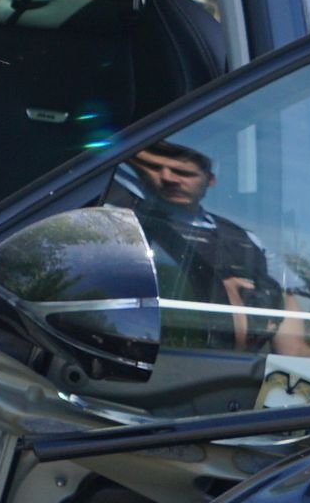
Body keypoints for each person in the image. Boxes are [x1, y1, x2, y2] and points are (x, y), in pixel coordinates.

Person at [109, 139, 296, 351]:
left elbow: (296, 347)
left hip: (234, 373)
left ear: (211, 180)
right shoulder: (120, 223)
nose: (168, 178)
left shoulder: (247, 240)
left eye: (184, 173)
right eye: (155, 168)